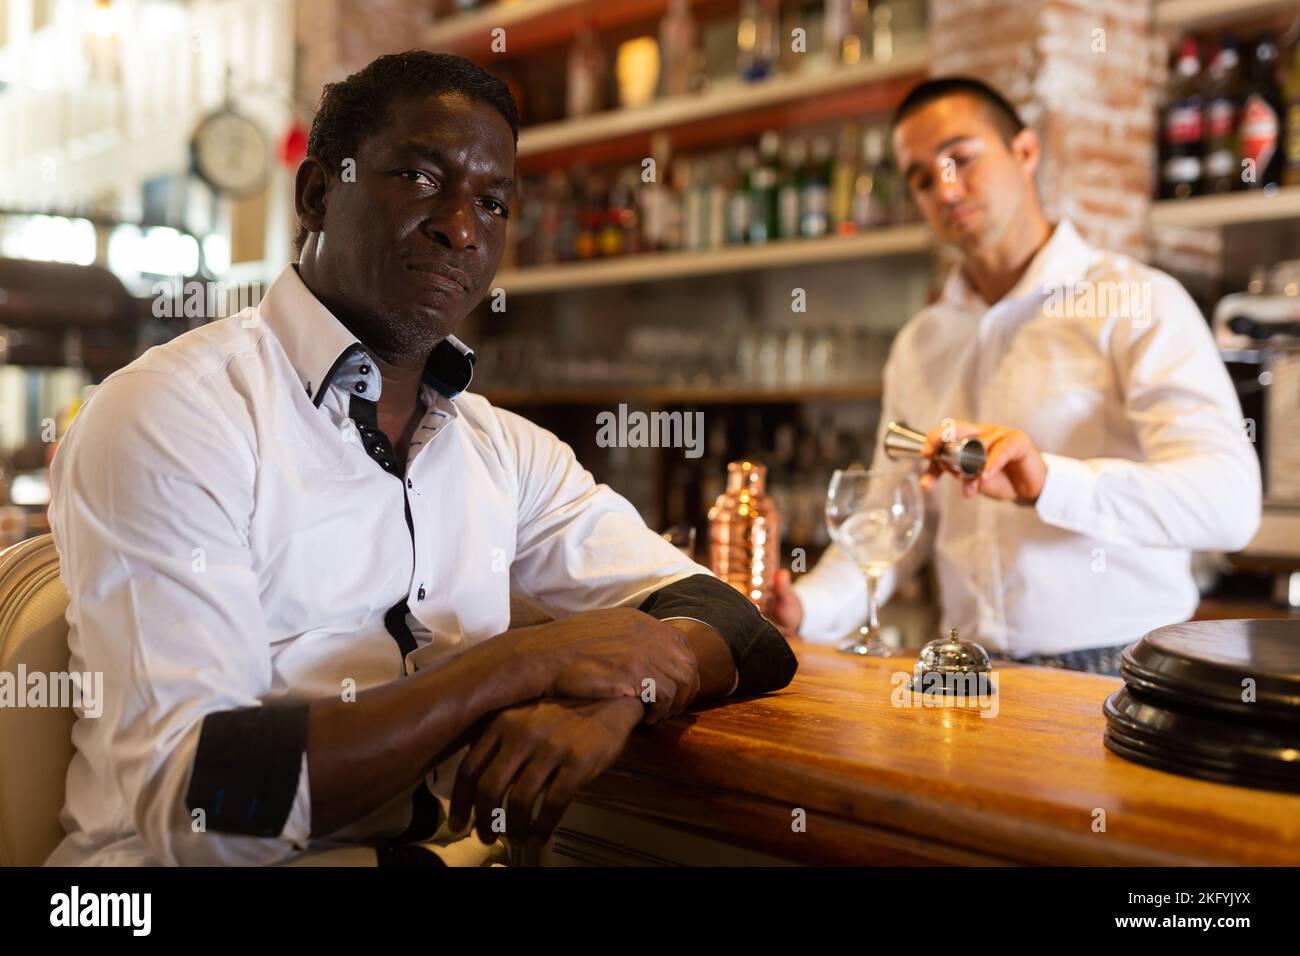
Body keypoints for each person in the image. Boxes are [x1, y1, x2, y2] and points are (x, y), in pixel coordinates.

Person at [46, 51, 796, 866]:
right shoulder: (175, 414)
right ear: (317, 194)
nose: (462, 228)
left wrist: (623, 693)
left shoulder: (499, 449)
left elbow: (735, 621)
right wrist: (525, 660)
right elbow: (208, 807)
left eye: (494, 201)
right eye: (420, 178)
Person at [768, 77, 1260, 675]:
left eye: (961, 158)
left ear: (1025, 153)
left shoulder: (1139, 301)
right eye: (922, 177)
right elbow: (893, 520)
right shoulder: (921, 342)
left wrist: (1046, 482)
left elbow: (1228, 504)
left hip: (1123, 672)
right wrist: (805, 606)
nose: (945, 188)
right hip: (967, 673)